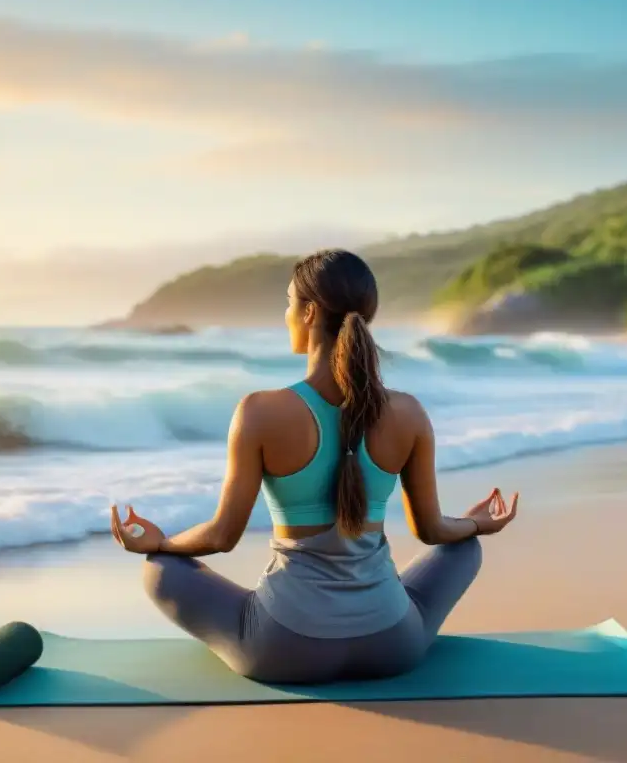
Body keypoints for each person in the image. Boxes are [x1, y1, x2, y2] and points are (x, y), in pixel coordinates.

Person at [111, 249, 518, 684]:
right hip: (393, 645)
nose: (285, 314)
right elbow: (434, 531)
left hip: (283, 650)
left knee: (158, 568)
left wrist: (162, 542)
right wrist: (474, 525)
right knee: (463, 548)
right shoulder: (409, 413)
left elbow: (221, 536)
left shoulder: (259, 412)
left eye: (288, 303)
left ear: (308, 312)